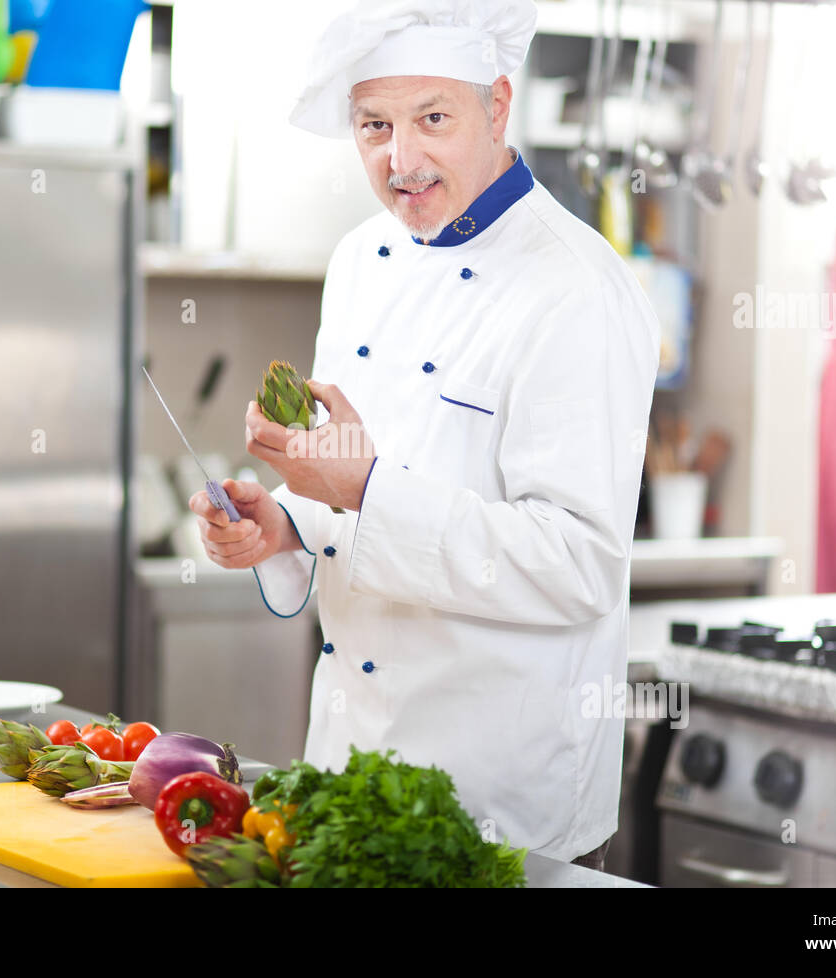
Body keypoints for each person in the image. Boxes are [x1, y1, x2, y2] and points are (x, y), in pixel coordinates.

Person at [188, 0, 659, 872]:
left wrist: (365, 490)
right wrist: (286, 522)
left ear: (498, 106)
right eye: (374, 125)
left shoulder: (578, 291)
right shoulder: (361, 261)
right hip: (349, 775)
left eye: (432, 118)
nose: (401, 160)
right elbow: (371, 478)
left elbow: (581, 563)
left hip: (498, 802)